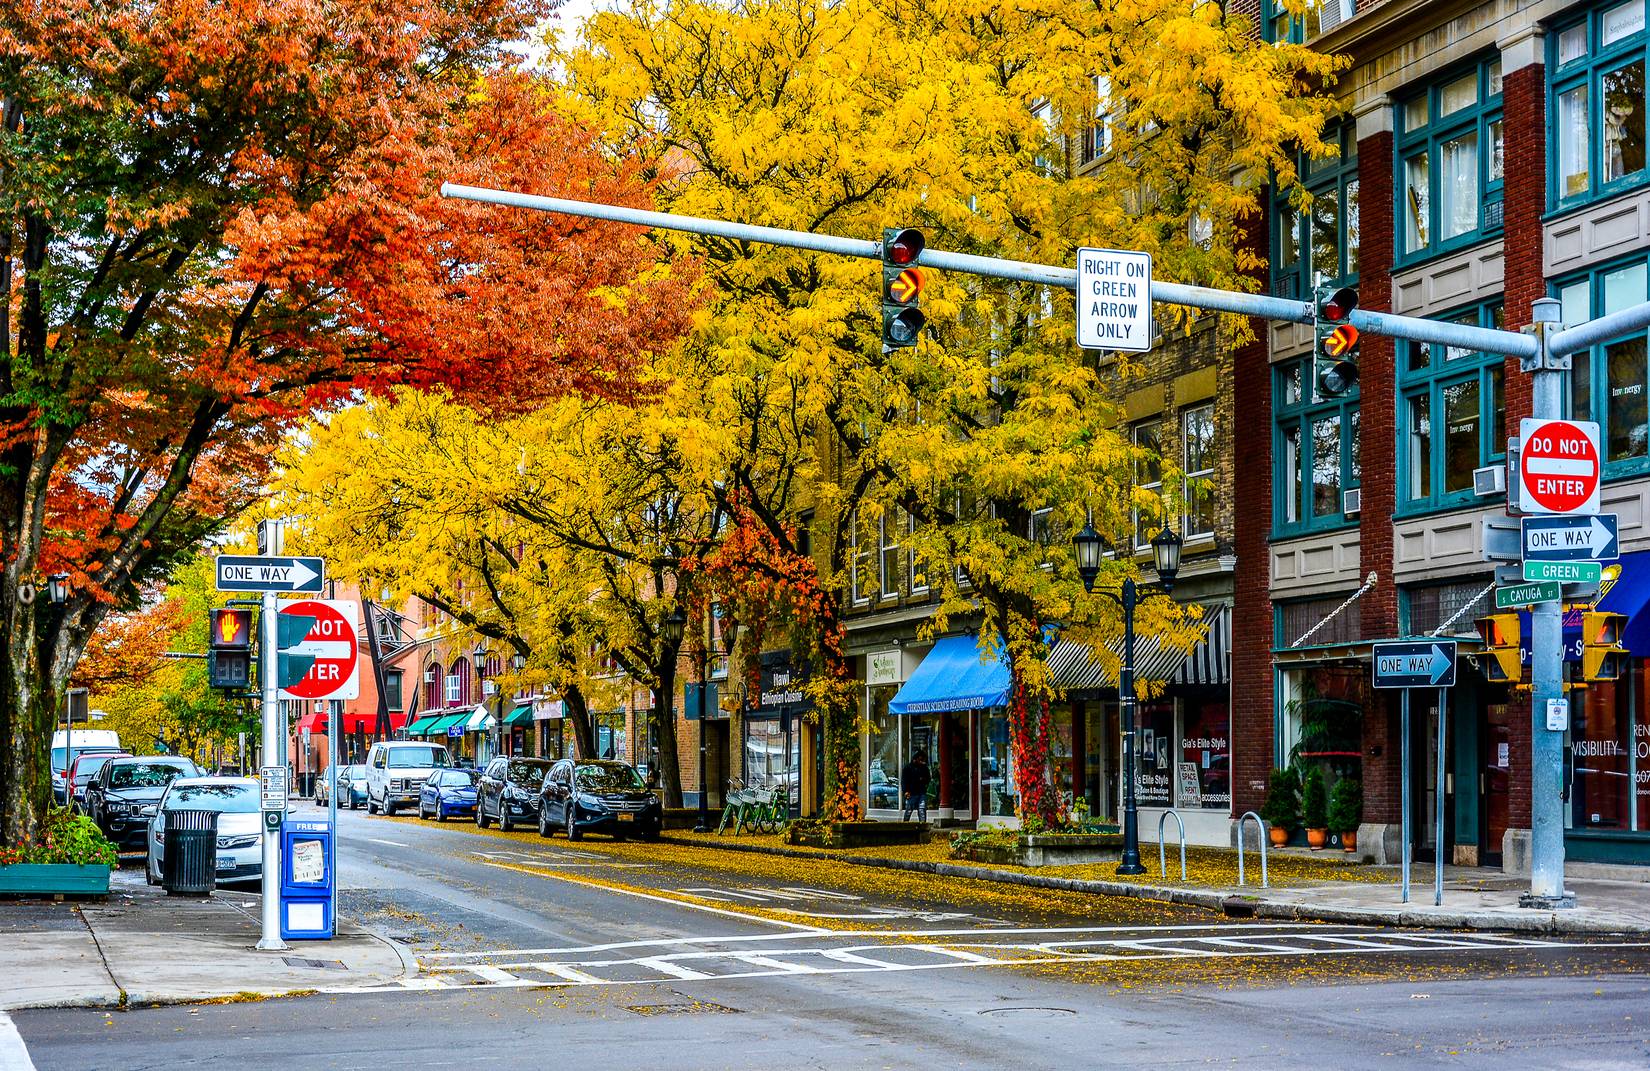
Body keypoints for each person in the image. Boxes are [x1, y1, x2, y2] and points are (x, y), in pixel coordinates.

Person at [900, 751, 931, 823]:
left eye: (922, 760)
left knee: (922, 809)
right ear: (915, 759)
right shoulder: (908, 768)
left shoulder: (924, 768)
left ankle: (923, 825)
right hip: (911, 792)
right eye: (920, 759)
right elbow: (904, 780)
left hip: (921, 791)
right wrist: (906, 791)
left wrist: (923, 780)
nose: (921, 761)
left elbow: (928, 778)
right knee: (909, 810)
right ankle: (905, 824)